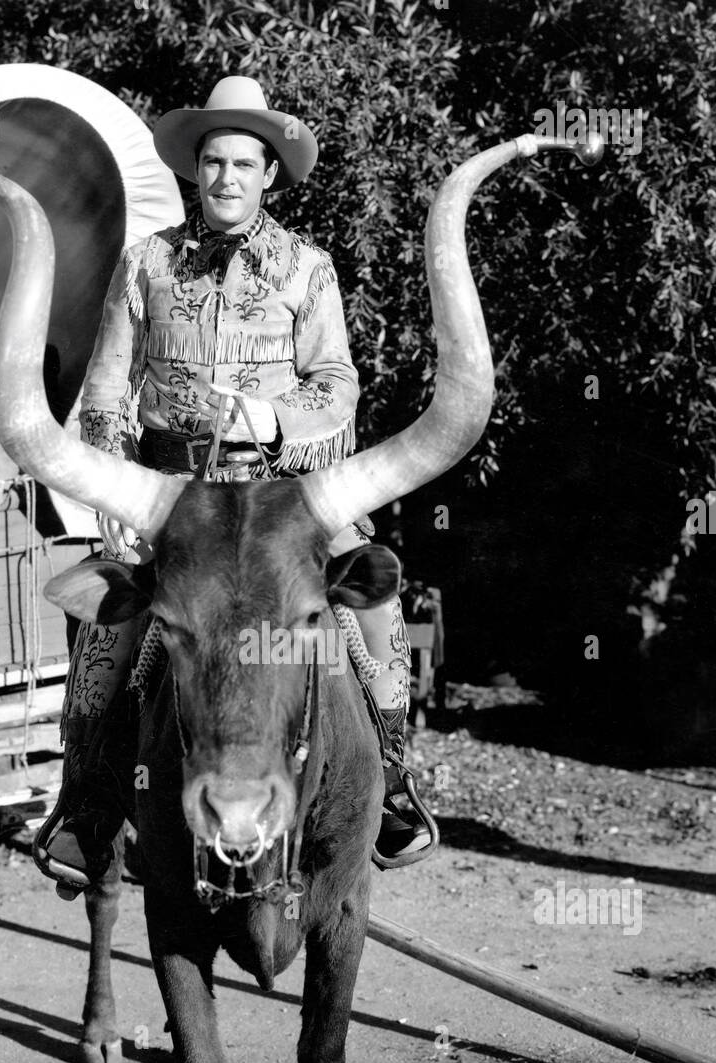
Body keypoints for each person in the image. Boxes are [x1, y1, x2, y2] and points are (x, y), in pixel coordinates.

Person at [37, 76, 431, 889]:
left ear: (269, 174)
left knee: (376, 614)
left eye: (243, 164)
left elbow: (337, 384)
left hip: (283, 501)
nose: (225, 179)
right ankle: (86, 807)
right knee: (109, 635)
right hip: (172, 503)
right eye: (212, 162)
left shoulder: (307, 270)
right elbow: (106, 391)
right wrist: (114, 498)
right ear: (195, 169)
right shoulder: (145, 263)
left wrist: (273, 417)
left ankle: (391, 785)